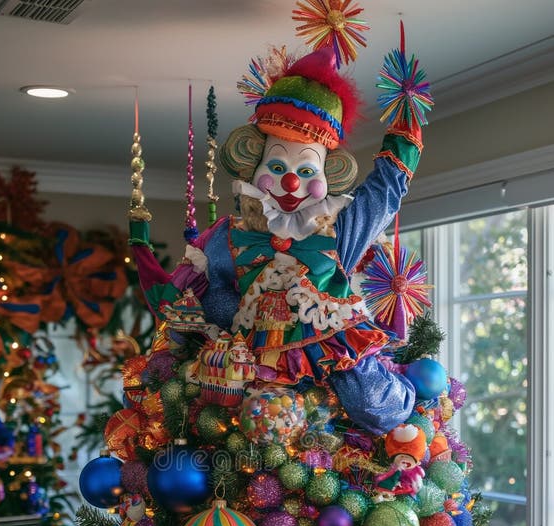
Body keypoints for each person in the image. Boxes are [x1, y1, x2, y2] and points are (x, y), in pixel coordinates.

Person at [129, 44, 425, 435]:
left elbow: (383, 194)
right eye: (278, 166)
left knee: (371, 405)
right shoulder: (230, 233)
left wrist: (404, 128)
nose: (290, 182)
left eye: (305, 170)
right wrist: (152, 267)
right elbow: (192, 287)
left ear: (327, 173)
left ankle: (412, 396)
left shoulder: (341, 228)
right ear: (255, 167)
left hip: (326, 337)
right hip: (249, 353)